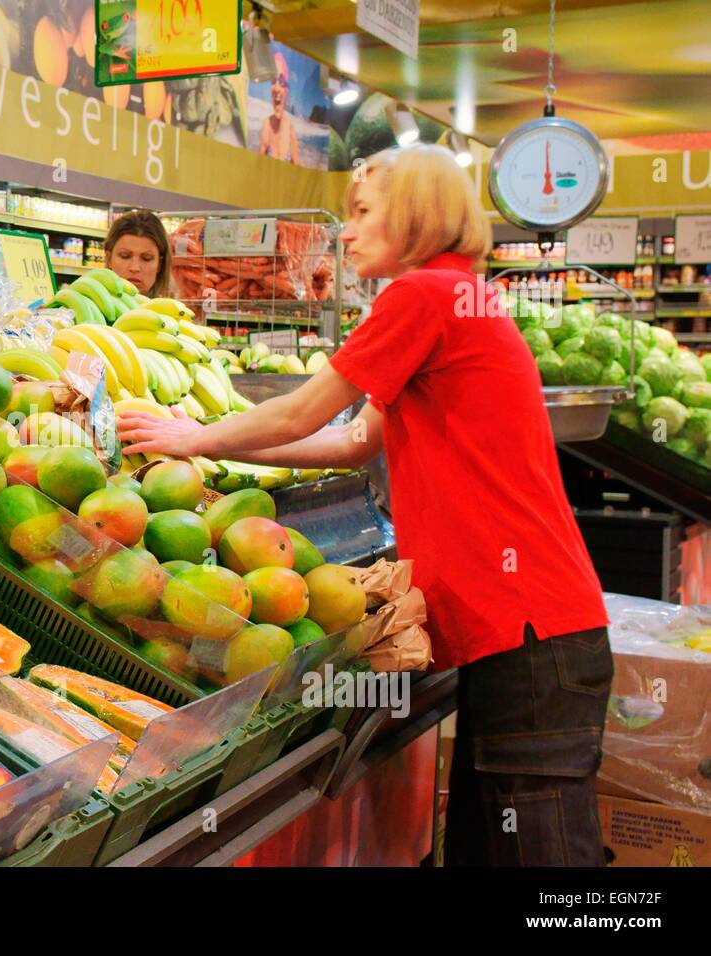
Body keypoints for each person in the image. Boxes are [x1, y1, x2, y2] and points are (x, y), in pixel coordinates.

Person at [117, 144, 613, 867]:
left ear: (412, 214)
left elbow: (303, 412)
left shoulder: (423, 296)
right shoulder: (457, 294)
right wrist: (209, 445)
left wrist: (194, 436)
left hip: (529, 633)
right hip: (531, 632)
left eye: (362, 213)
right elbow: (354, 440)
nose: (346, 233)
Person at [105, 209, 173, 298]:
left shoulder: (172, 310)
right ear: (109, 259)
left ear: (159, 264)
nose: (134, 268)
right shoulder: (87, 308)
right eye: (125, 256)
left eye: (146, 258)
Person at [258, 50, 299, 162]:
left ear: (286, 91)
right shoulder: (266, 124)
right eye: (273, 81)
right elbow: (256, 166)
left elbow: (297, 168)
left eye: (281, 82)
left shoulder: (290, 129)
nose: (276, 88)